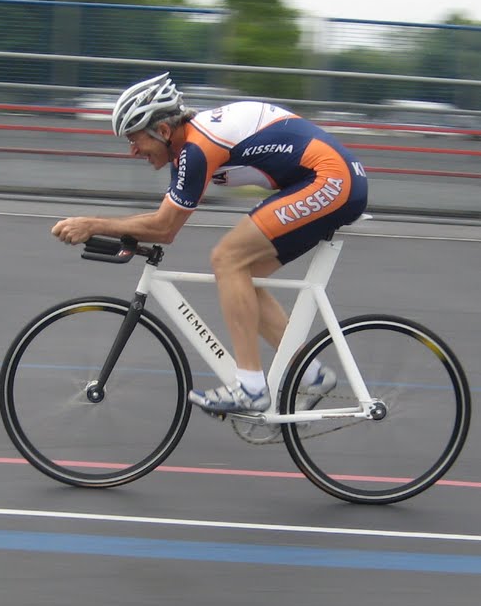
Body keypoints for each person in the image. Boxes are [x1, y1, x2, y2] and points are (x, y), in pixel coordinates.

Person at [51, 72, 369, 415]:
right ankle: (310, 373)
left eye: (134, 139)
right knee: (243, 276)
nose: (132, 151)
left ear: (163, 131)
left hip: (331, 179)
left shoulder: (198, 148)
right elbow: (163, 221)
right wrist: (109, 228)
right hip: (328, 179)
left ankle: (251, 388)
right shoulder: (185, 150)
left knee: (227, 258)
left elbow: (164, 228)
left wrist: (92, 225)